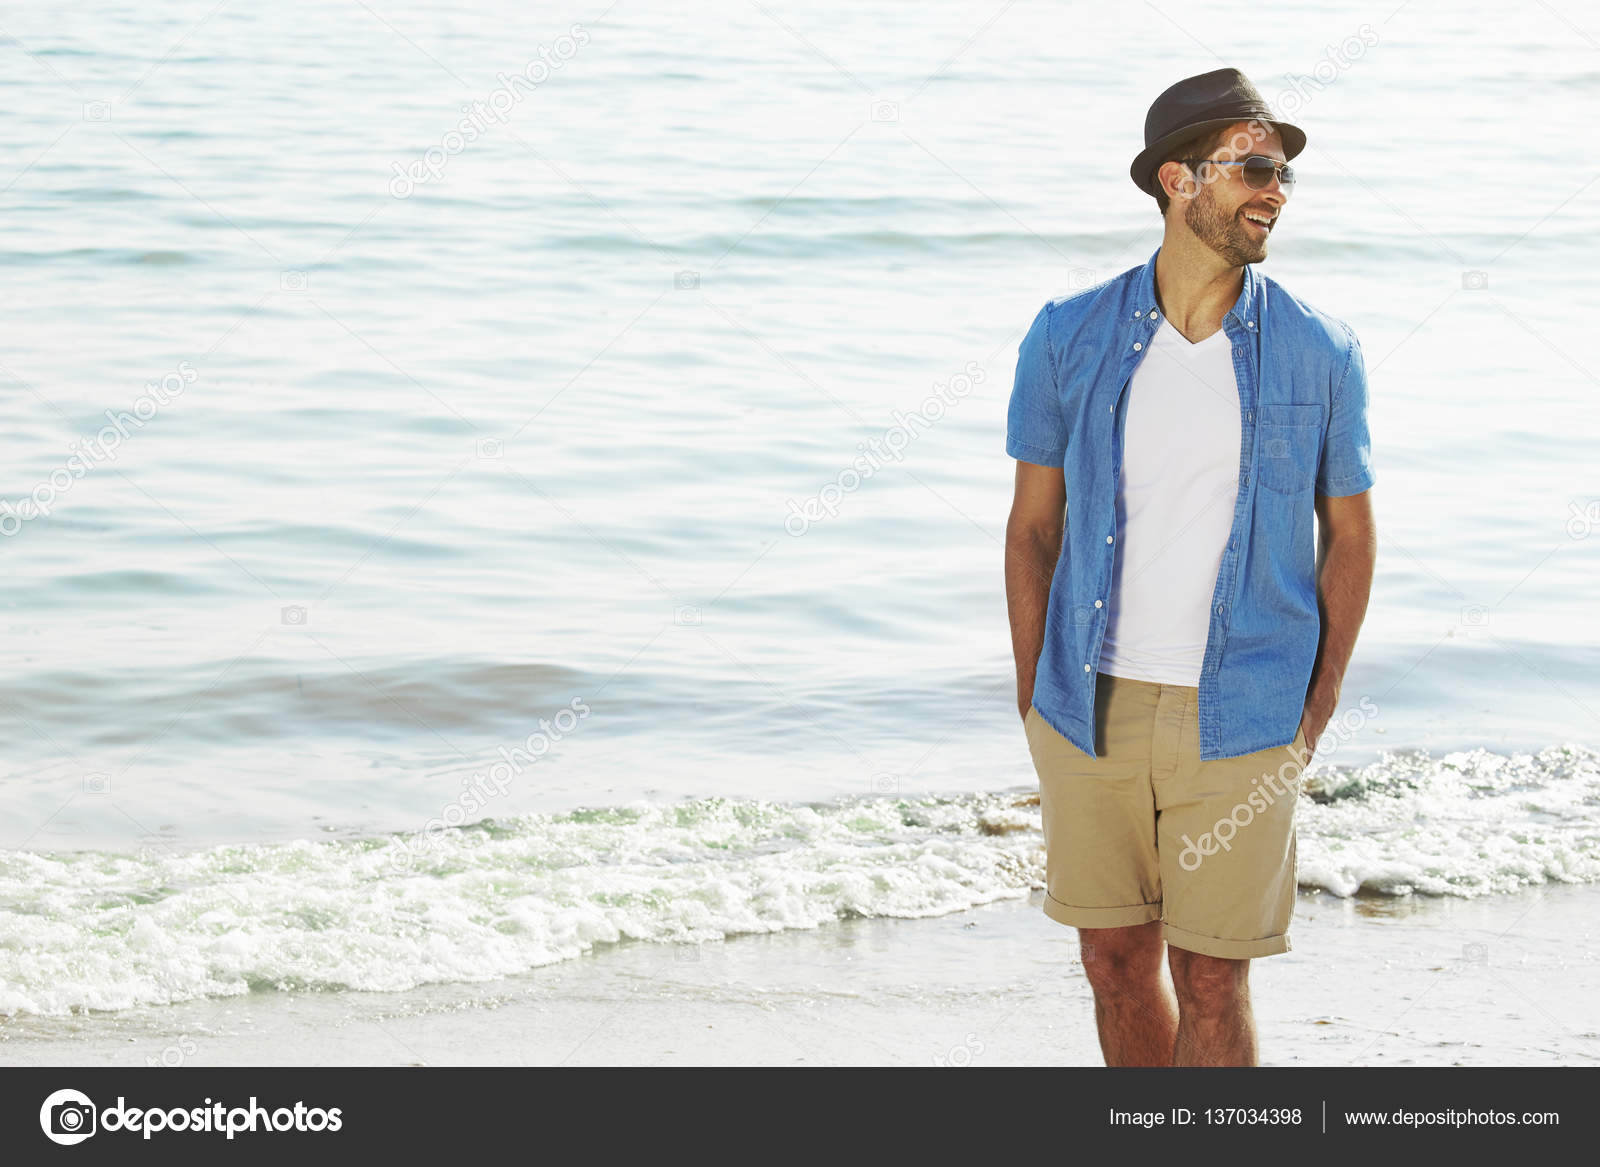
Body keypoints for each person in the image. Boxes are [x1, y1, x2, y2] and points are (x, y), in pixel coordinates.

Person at [1003, 67, 1377, 1066]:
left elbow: (1350, 535)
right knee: (1113, 960)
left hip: (1247, 711)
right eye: (1254, 167)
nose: (1276, 190)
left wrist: (1317, 704)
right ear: (1178, 179)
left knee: (1212, 974)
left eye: (1284, 172)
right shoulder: (1064, 336)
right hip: (1090, 703)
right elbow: (1032, 528)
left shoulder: (1320, 351)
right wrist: (1034, 692)